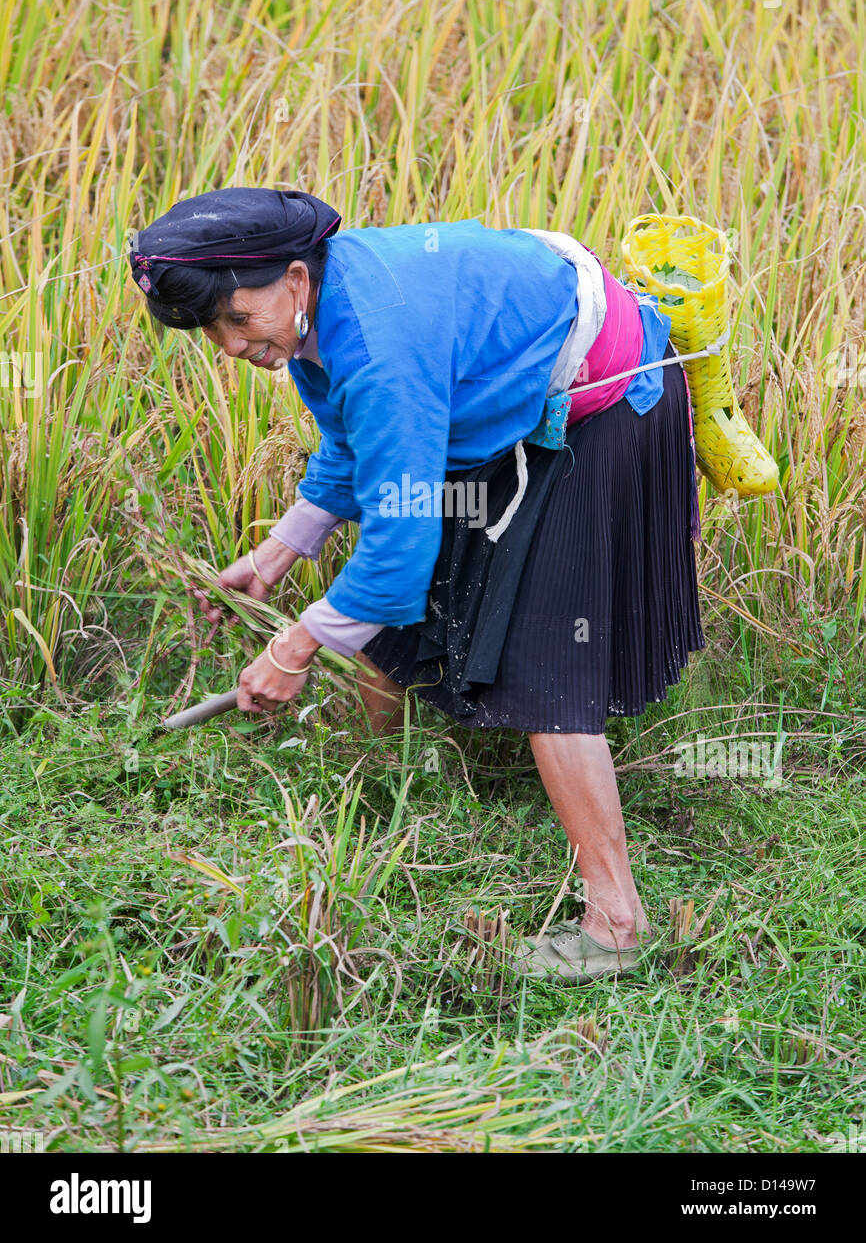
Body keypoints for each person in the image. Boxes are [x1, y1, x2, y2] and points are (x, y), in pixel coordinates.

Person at [129, 186, 705, 984]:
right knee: (392, 622)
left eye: (236, 318)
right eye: (212, 332)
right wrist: (278, 553)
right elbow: (352, 443)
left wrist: (294, 648)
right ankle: (391, 788)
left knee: (546, 670)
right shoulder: (318, 318)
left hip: (602, 408)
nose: (230, 345)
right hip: (503, 404)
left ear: (295, 278)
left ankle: (618, 923)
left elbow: (395, 551)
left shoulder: (380, 343)